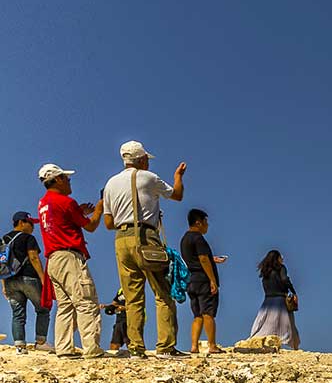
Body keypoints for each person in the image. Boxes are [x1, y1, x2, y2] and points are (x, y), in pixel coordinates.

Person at [102, 139, 188, 358]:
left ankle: (136, 348)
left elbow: (108, 223)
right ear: (141, 160)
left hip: (121, 239)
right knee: (162, 292)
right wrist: (178, 177)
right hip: (146, 236)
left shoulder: (110, 183)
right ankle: (165, 347)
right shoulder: (148, 178)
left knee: (132, 297)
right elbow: (177, 195)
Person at [37, 163, 106, 359]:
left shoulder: (43, 203)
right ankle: (92, 348)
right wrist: (99, 209)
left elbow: (60, 220)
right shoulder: (66, 201)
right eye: (67, 179)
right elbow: (91, 226)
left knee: (65, 305)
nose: (69, 182)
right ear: (58, 179)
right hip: (69, 257)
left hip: (53, 259)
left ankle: (64, 348)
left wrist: (78, 212)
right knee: (86, 301)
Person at [1, 211, 52, 354]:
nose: (33, 227)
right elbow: (34, 257)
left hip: (10, 281)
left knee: (18, 314)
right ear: (21, 222)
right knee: (43, 309)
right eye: (30, 223)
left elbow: (2, 264)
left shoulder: (3, 240)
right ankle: (41, 342)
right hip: (29, 278)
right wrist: (43, 279)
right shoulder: (28, 238)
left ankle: (20, 347)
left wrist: (4, 285)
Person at [180, 209, 227, 354]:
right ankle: (212, 345)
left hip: (191, 280)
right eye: (205, 222)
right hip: (202, 280)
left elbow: (194, 258)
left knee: (197, 315)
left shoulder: (185, 239)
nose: (207, 225)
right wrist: (212, 280)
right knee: (208, 313)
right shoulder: (198, 238)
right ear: (198, 223)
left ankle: (194, 346)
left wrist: (213, 259)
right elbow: (203, 259)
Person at [249, 250, 299, 349]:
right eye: (280, 256)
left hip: (268, 299)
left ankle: (258, 340)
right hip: (280, 298)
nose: (282, 258)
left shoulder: (265, 271)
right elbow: (284, 279)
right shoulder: (281, 268)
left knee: (264, 321)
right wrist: (293, 291)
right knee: (286, 323)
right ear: (277, 258)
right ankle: (289, 345)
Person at [100, 288, 129, 353]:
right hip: (119, 320)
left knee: (129, 340)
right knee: (115, 342)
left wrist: (123, 308)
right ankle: (113, 355)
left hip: (129, 320)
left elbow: (135, 306)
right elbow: (114, 303)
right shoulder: (120, 290)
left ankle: (135, 353)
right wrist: (107, 306)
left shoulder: (132, 289)